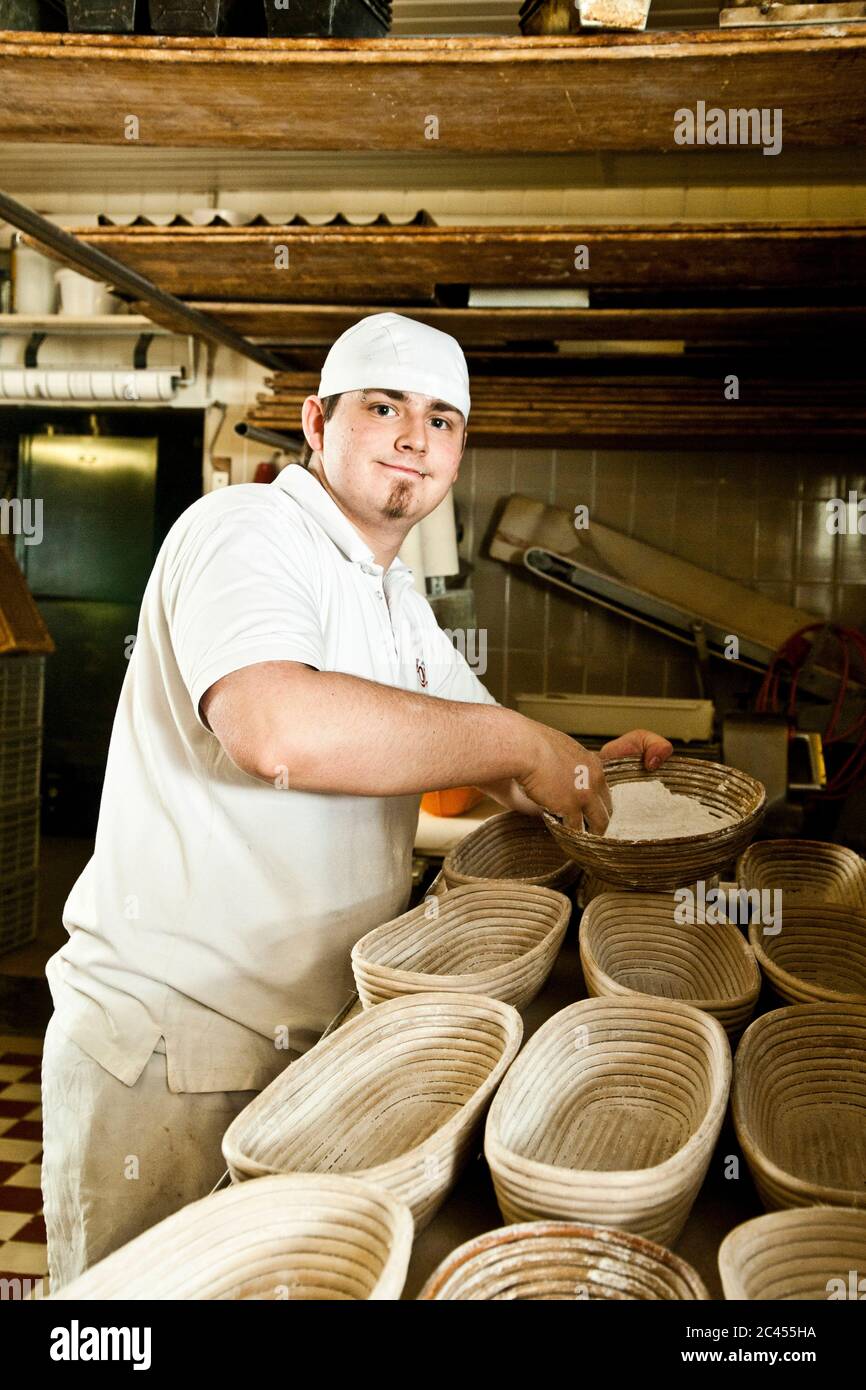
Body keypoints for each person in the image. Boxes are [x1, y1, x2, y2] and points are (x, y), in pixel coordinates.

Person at [40, 311, 672, 1288]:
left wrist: (584, 768)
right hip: (175, 1041)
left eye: (442, 420)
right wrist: (521, 740)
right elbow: (274, 726)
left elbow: (481, 758)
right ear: (315, 422)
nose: (415, 437)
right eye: (384, 407)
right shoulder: (244, 531)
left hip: (308, 1037)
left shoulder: (391, 592)